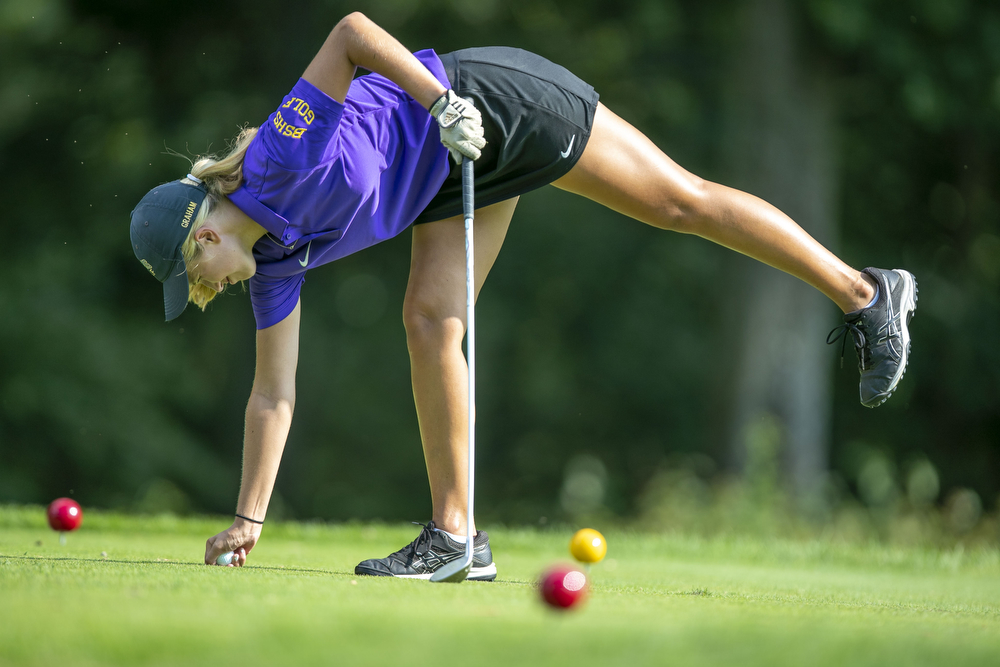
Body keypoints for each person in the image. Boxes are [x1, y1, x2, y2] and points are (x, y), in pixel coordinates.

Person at [129, 12, 916, 578]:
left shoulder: (278, 156)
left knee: (680, 201)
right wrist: (248, 519)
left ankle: (864, 291)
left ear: (205, 236)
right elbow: (273, 395)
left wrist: (440, 103)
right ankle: (456, 536)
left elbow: (351, 33)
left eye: (196, 278)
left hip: (487, 102)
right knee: (429, 320)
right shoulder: (273, 263)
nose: (207, 291)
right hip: (447, 176)